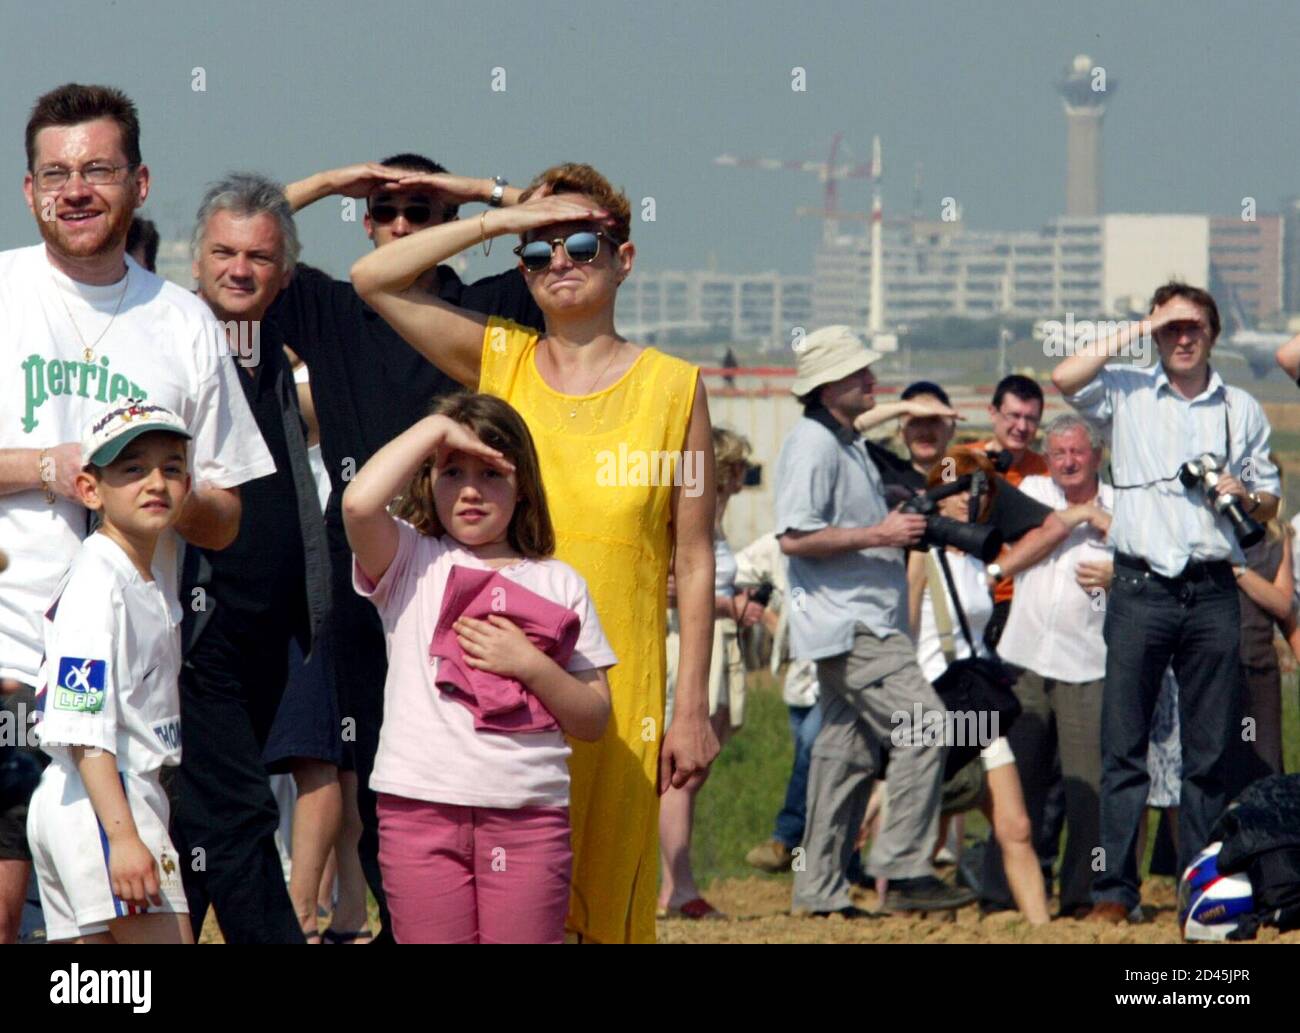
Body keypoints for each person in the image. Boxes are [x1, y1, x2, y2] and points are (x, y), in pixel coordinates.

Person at [349, 161, 719, 943]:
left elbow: (695, 556)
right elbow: (373, 278)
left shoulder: (675, 388)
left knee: (606, 912)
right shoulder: (499, 360)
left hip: (613, 696)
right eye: (541, 250)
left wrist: (691, 708)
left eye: (583, 244)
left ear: (625, 257)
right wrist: (500, 218)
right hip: (489, 713)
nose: (560, 263)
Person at [0, 83, 273, 943]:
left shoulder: (184, 323)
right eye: (56, 172)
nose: (75, 189)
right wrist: (48, 466)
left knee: (116, 941)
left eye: (98, 170)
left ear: (140, 182)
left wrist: (154, 491)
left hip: (128, 695)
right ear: (28, 189)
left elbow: (229, 515)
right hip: (5, 663)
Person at [272, 156, 545, 941]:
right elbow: (239, 235)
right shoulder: (333, 308)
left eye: (418, 212)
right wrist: (332, 181)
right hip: (359, 565)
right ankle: (405, 923)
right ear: (363, 220)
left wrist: (478, 194)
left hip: (466, 565)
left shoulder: (486, 304)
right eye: (385, 211)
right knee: (372, 759)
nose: (401, 226)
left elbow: (565, 220)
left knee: (466, 747)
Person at [343, 394, 616, 943]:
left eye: (492, 473)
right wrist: (437, 427)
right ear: (427, 480)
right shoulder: (411, 561)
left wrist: (531, 666)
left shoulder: (561, 582)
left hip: (528, 817)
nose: (470, 490)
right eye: (453, 471)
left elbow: (593, 718)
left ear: (525, 485)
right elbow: (358, 504)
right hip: (418, 813)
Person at [1052, 281, 1281, 923]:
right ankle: (1113, 893)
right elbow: (1064, 375)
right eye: (1171, 329)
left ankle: (1200, 890)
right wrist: (1136, 326)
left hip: (1212, 589)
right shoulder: (1126, 393)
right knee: (1122, 747)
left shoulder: (1240, 407)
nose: (1183, 339)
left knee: (1209, 756)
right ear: (1155, 333)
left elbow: (1267, 505)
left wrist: (1243, 492)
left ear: (1213, 335)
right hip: (1139, 586)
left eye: (1194, 327)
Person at [174, 174, 338, 944]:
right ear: (195, 260)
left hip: (275, 627)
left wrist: (333, 185)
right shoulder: (168, 338)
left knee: (200, 820)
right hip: (192, 626)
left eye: (260, 257)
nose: (240, 269)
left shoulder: (283, 346)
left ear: (285, 270)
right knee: (238, 808)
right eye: (224, 252)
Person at [772, 325, 973, 917]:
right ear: (830, 385)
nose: (871, 379)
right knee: (927, 726)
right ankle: (905, 866)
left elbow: (862, 425)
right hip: (854, 626)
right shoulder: (814, 445)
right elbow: (793, 537)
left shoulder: (842, 439)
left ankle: (820, 891)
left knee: (845, 757)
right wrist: (883, 533)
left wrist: (906, 411)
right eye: (860, 373)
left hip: (847, 625)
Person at [27, 401, 194, 943]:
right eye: (131, 469)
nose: (156, 482)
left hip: (93, 800)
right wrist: (122, 837)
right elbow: (81, 721)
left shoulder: (139, 573)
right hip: (104, 798)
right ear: (90, 490)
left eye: (171, 467)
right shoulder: (100, 579)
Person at [906, 448, 1050, 925]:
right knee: (924, 832)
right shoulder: (920, 556)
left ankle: (1042, 930)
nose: (981, 499)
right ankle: (913, 926)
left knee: (1016, 827)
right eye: (972, 490)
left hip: (978, 703)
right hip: (934, 704)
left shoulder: (974, 555)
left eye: (984, 490)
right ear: (943, 499)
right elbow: (905, 631)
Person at [978, 414, 1114, 918]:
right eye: (1058, 453)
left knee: (1088, 790)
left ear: (1097, 455)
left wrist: (1117, 572)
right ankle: (1003, 895)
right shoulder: (1033, 488)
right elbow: (981, 493)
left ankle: (1084, 896)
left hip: (1088, 663)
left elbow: (1149, 561)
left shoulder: (1123, 504)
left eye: (1077, 452)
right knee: (1014, 782)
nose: (1068, 462)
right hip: (1024, 658)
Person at [658, 427, 764, 918]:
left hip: (717, 643)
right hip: (689, 644)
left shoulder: (714, 524)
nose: (743, 479)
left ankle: (674, 884)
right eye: (737, 468)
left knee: (693, 774)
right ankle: (678, 888)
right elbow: (663, 586)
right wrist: (726, 604)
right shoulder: (685, 520)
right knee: (681, 774)